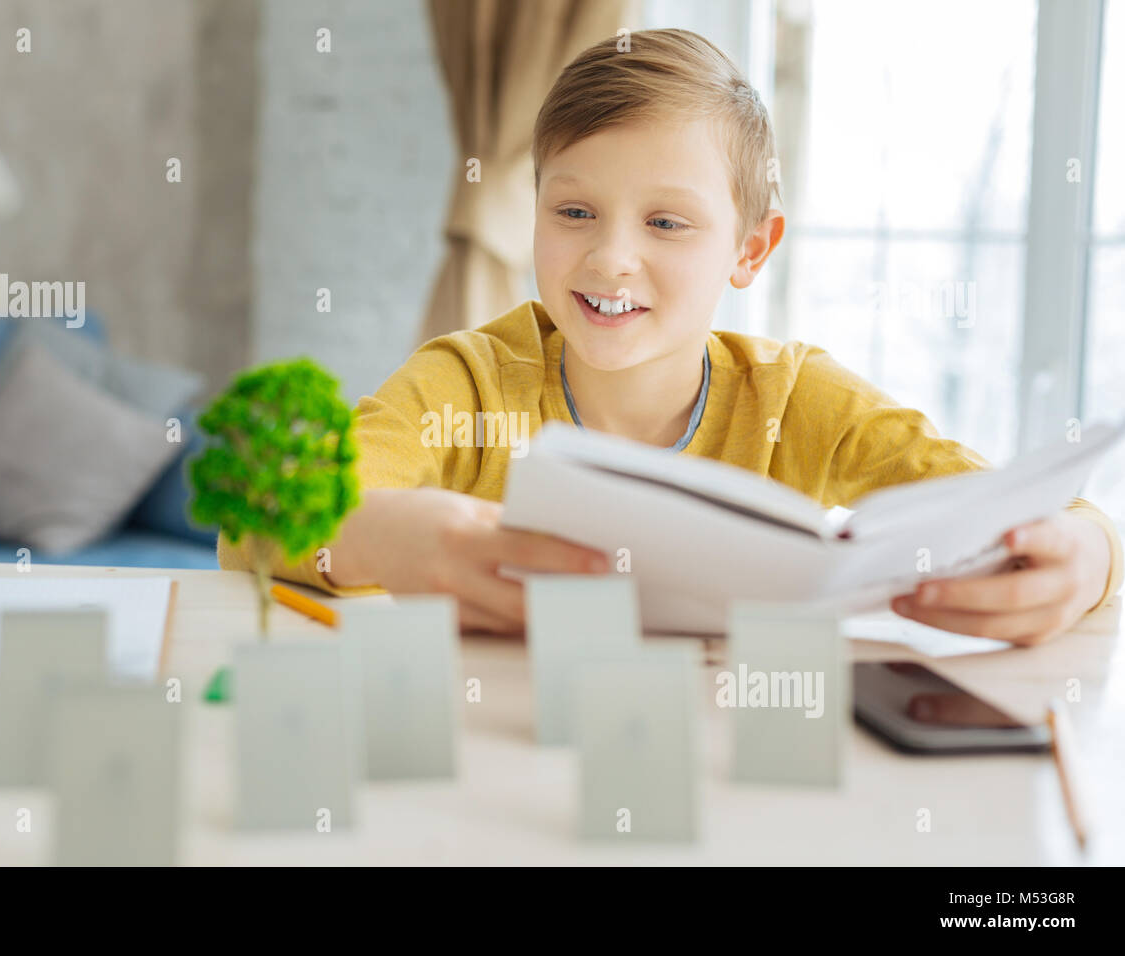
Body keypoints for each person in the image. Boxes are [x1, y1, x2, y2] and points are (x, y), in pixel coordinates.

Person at [220, 28, 1121, 642]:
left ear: (751, 248)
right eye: (573, 210)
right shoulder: (468, 382)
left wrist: (1090, 556)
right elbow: (256, 526)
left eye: (666, 224)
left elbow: (1023, 511)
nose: (610, 259)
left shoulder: (800, 401)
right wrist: (386, 537)